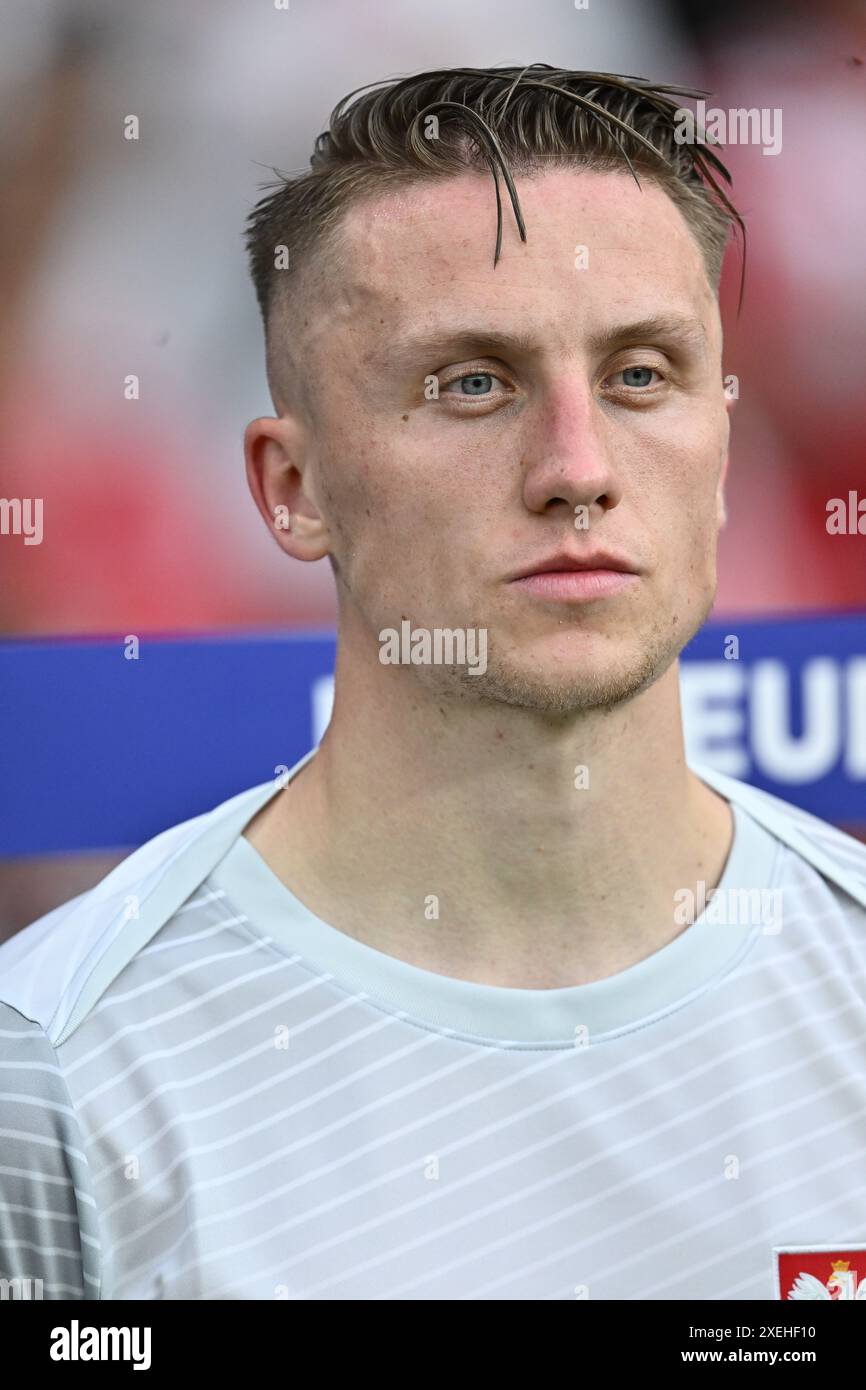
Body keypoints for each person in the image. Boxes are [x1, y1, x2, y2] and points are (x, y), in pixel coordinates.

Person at [2, 64, 864, 1303]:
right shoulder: (57, 1069)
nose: (577, 468)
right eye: (472, 383)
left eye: (638, 375)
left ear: (724, 451)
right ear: (290, 489)